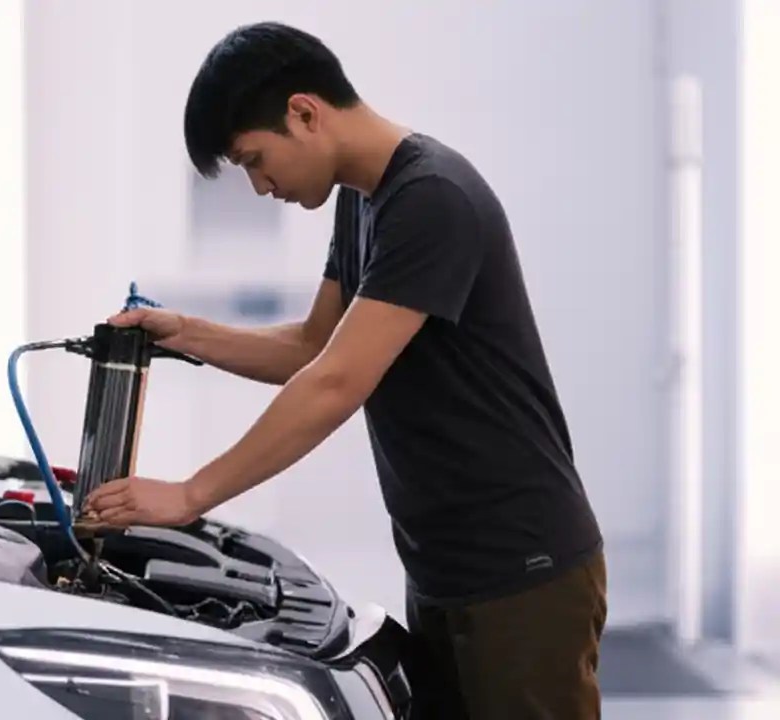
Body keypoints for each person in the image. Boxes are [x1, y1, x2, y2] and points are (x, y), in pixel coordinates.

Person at [81, 20, 608, 720]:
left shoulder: (431, 198)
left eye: (253, 160)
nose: (260, 186)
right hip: (447, 568)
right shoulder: (364, 202)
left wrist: (189, 495)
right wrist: (187, 334)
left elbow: (336, 383)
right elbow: (312, 348)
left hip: (520, 568)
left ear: (305, 112)